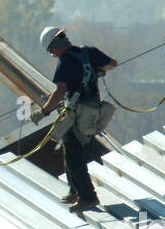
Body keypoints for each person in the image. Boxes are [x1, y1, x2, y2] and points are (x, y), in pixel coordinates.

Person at [33, 26, 117, 212]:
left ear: (56, 44)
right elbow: (113, 63)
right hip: (93, 109)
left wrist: (44, 111)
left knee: (73, 155)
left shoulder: (65, 62)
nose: (53, 55)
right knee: (69, 148)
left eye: (51, 51)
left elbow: (60, 91)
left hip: (76, 113)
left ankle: (88, 197)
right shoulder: (89, 52)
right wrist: (99, 69)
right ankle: (74, 190)